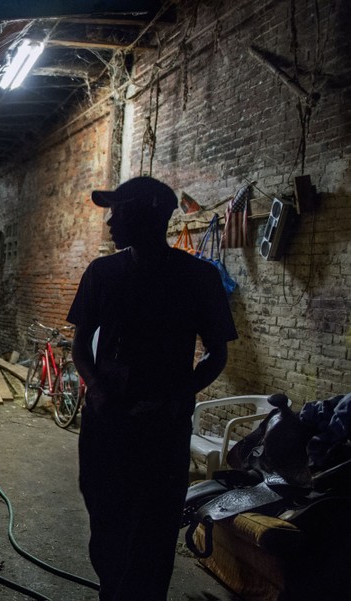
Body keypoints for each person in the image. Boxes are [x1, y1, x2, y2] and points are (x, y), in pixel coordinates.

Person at [66, 176, 238, 600]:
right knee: (106, 520)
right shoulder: (102, 273)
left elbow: (216, 354)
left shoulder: (199, 278)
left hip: (162, 428)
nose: (110, 223)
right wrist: (95, 386)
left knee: (156, 527)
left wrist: (177, 398)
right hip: (107, 425)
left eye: (119, 212)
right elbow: (80, 345)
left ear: (148, 216)